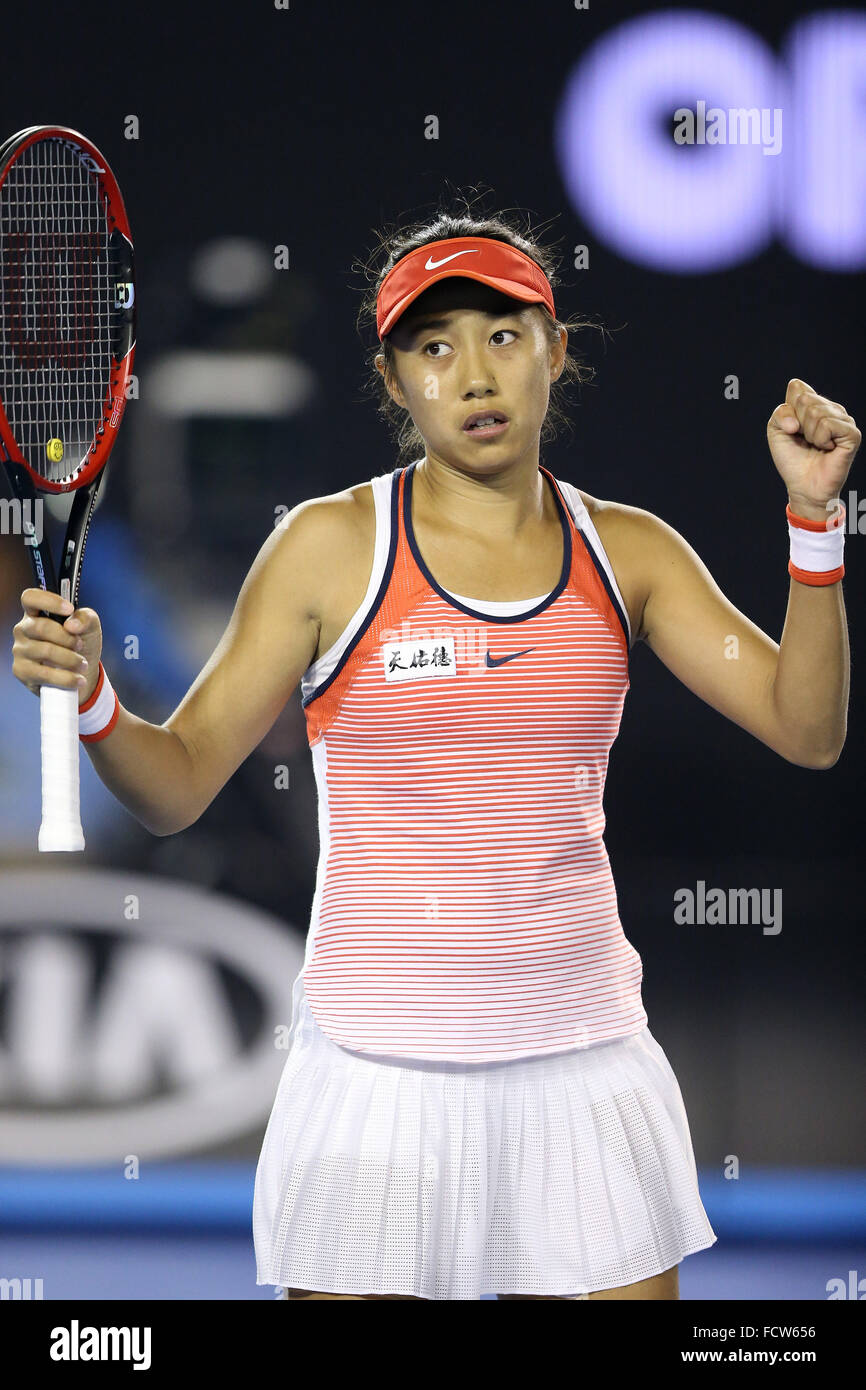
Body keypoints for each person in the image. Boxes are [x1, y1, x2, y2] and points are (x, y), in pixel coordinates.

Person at [10, 206, 857, 1301]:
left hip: (583, 1078)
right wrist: (95, 706)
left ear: (557, 351)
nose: (473, 374)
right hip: (371, 1087)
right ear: (395, 380)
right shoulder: (323, 548)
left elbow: (807, 728)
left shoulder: (629, 552)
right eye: (433, 345)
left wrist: (811, 522)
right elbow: (175, 787)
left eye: (502, 336)